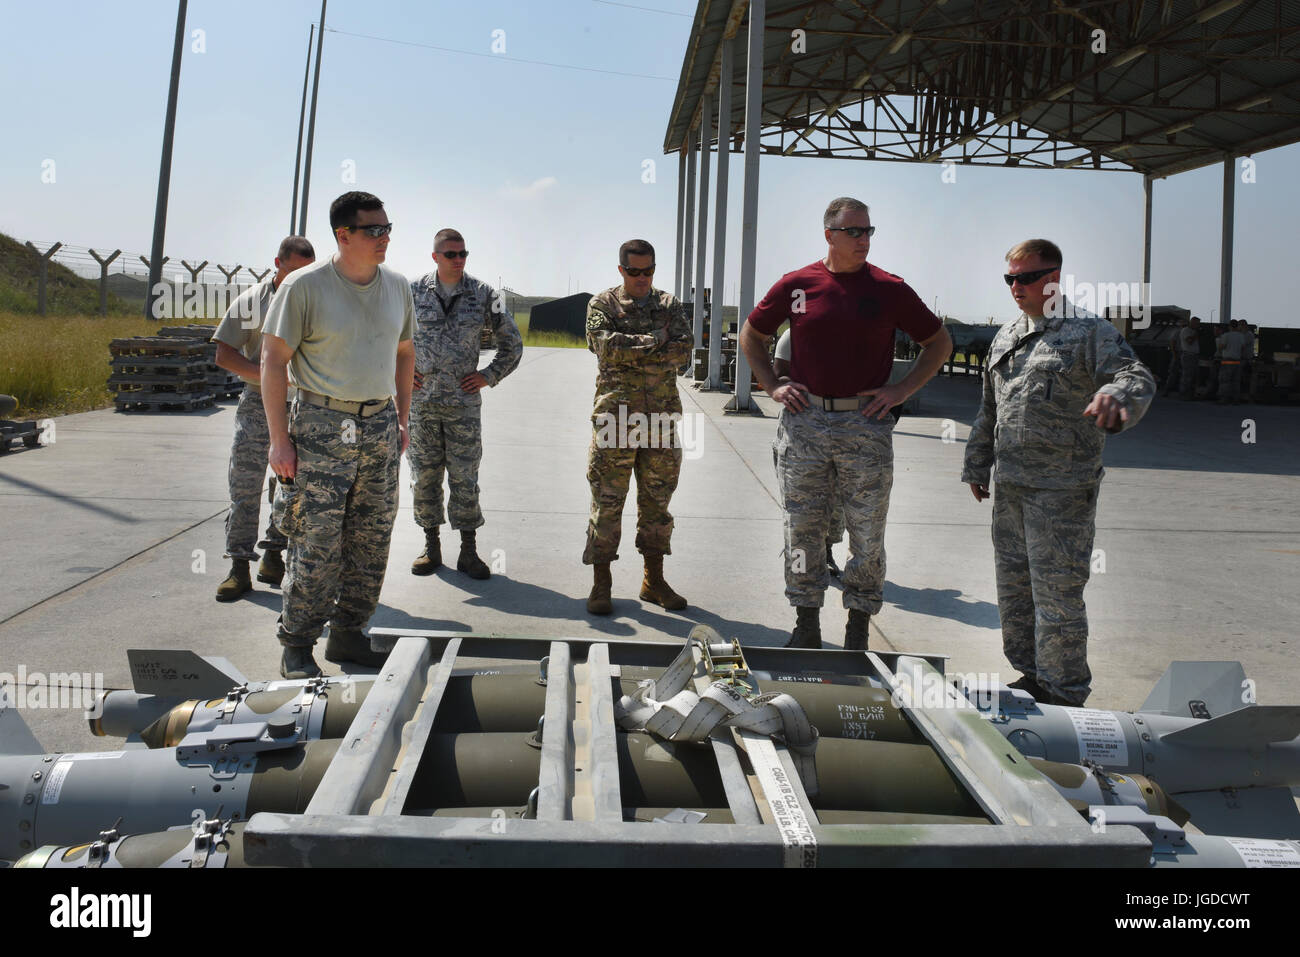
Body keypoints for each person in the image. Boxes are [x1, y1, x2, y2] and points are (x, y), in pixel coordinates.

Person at [739, 197, 952, 650]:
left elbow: (939, 343)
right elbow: (752, 335)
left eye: (869, 231)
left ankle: (858, 626)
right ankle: (806, 624)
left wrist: (900, 391)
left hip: (864, 427)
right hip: (805, 423)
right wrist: (772, 384)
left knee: (867, 531)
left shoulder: (889, 289)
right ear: (829, 235)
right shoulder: (798, 285)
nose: (864, 240)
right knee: (802, 530)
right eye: (854, 231)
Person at [961, 239, 1154, 706]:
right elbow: (990, 406)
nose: (1015, 287)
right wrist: (976, 461)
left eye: (1025, 277)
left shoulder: (1089, 332)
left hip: (1061, 493)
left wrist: (1118, 399)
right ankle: (1033, 676)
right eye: (1009, 278)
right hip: (1010, 488)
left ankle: (1065, 694)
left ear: (1054, 276)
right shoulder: (1007, 335)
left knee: (1058, 597)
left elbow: (1136, 375)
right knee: (1015, 592)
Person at [261, 191, 415, 679]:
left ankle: (350, 633)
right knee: (316, 539)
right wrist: (279, 438)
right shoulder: (306, 287)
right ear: (343, 235)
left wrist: (402, 417)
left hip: (379, 424)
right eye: (374, 229)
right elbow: (273, 362)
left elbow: (406, 352)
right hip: (322, 426)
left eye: (388, 228)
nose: (384, 237)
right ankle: (298, 642)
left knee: (371, 538)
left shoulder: (397, 287)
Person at [583, 239, 693, 615]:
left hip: (661, 422)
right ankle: (601, 583)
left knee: (657, 505)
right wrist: (655, 342)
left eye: (648, 271)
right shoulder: (602, 305)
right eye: (634, 272)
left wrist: (638, 349)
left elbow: (684, 351)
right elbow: (606, 347)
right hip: (616, 421)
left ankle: (653, 580)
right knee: (608, 504)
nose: (642, 278)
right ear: (621, 270)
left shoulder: (669, 305)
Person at [408, 229, 522, 579]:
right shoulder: (410, 293)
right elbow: (380, 338)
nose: (458, 260)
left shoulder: (485, 294)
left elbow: (513, 344)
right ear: (435, 257)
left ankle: (468, 551)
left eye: (463, 254)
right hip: (421, 407)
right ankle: (431, 545)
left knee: (465, 479)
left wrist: (489, 376)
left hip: (463, 407)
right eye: (450, 254)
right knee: (424, 477)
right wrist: (398, 372)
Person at [212, 237, 316, 602]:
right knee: (245, 484)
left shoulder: (316, 300)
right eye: (294, 270)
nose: (302, 278)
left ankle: (274, 553)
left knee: (290, 486)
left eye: (309, 270)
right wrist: (266, 376)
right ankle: (238, 566)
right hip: (258, 404)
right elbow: (224, 354)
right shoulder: (253, 303)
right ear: (277, 263)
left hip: (303, 405)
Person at [775, 327, 843, 578]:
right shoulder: (793, 335)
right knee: (801, 505)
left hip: (846, 432)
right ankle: (800, 562)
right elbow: (779, 375)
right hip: (802, 431)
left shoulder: (856, 331)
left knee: (836, 506)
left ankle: (825, 552)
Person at [1218, 320, 1247, 405]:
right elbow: (1243, 348)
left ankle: (1224, 399)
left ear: (1229, 326)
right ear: (1237, 326)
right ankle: (1235, 399)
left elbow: (1222, 346)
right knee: (1236, 381)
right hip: (1237, 361)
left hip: (1227, 360)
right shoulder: (1241, 336)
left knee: (1225, 380)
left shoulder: (1226, 335)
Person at [1179, 316, 1201, 400]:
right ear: (1192, 323)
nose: (1198, 325)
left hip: (1194, 355)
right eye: (1197, 324)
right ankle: (1184, 394)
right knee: (1187, 376)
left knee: (1193, 376)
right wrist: (1195, 334)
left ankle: (1190, 394)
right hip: (1188, 355)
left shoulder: (1192, 331)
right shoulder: (1186, 331)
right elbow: (1189, 342)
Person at [1161, 317, 1184, 397]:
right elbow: (1172, 343)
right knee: (1173, 373)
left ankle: (1174, 390)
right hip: (1178, 353)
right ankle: (1167, 390)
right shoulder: (1178, 332)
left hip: (1181, 353)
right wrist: (1174, 354)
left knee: (1179, 373)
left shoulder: (1180, 332)